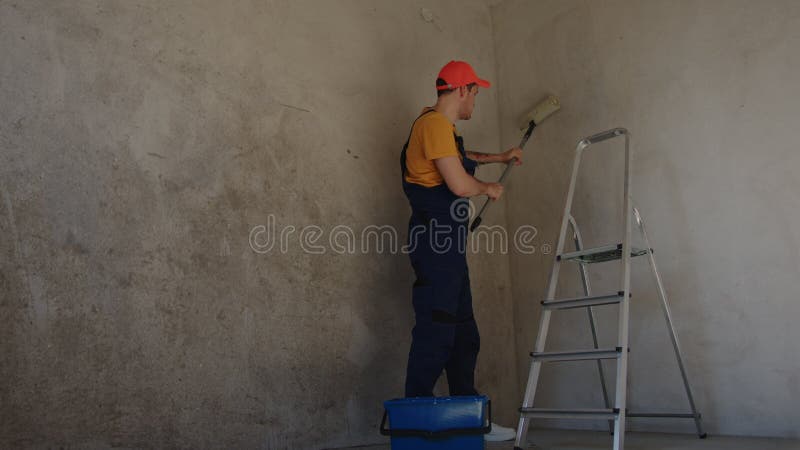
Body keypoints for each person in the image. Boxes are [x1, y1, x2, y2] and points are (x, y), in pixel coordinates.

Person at [399, 60, 521, 442]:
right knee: (437, 330)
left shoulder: (438, 127)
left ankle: (470, 420)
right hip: (435, 242)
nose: (475, 102)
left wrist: (499, 158)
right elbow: (457, 182)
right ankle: (414, 424)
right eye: (475, 94)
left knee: (464, 334)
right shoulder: (433, 124)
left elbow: (458, 160)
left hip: (448, 246)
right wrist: (486, 188)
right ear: (463, 90)